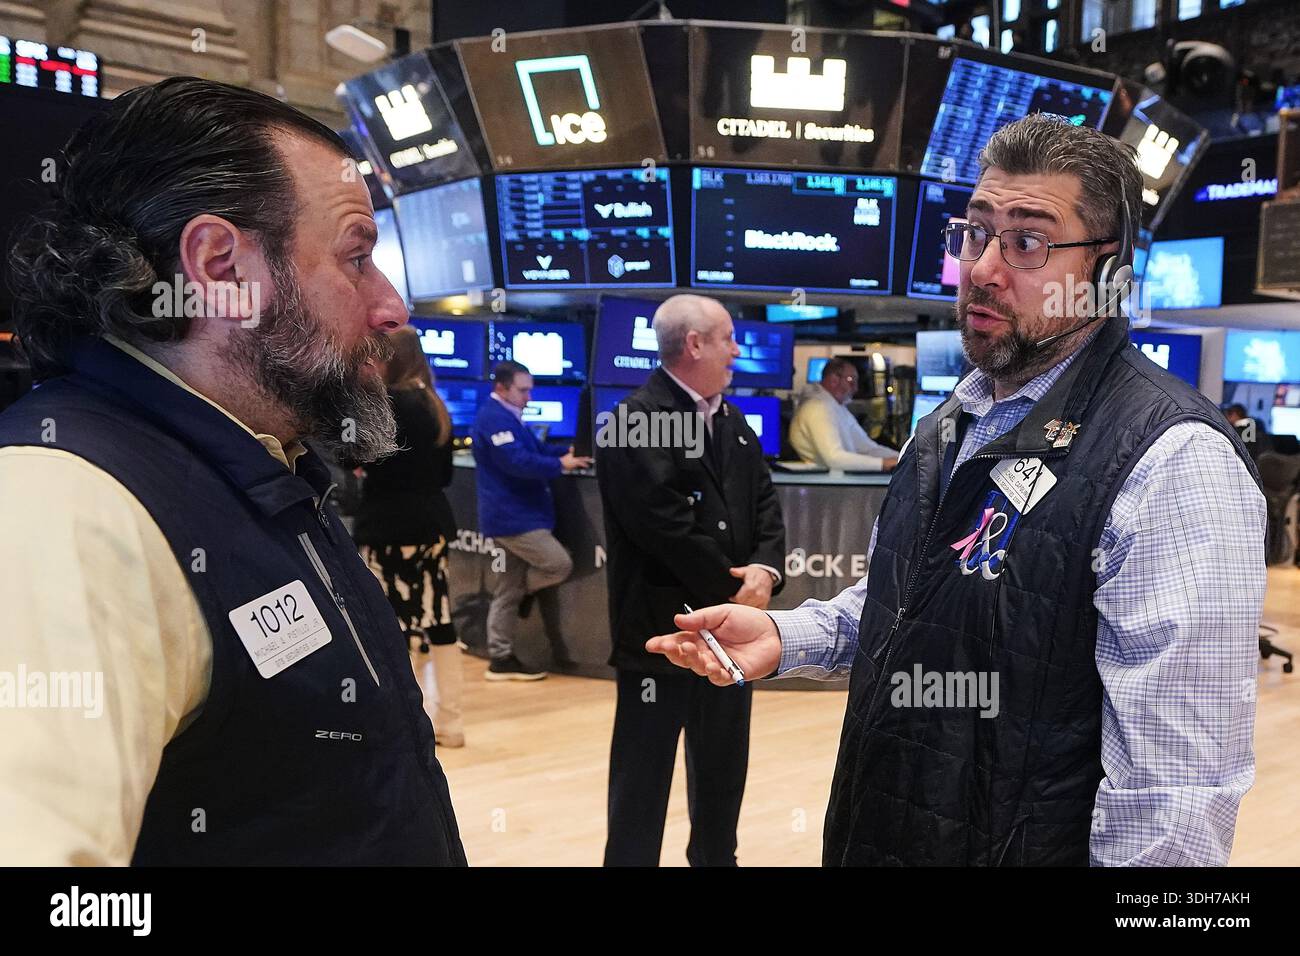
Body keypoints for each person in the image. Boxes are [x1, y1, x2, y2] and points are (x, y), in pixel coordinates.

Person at [648, 115, 1266, 867]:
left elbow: (1177, 797)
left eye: (1027, 241)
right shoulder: (948, 424)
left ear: (1107, 273)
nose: (983, 267)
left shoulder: (1173, 460)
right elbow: (903, 603)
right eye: (974, 233)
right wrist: (787, 637)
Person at [0, 77, 465, 865]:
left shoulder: (266, 459)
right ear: (219, 267)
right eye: (358, 258)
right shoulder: (62, 505)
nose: (393, 308)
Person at [597, 293, 786, 866]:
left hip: (731, 641)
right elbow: (664, 526)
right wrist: (737, 591)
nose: (736, 350)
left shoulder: (731, 419)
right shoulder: (634, 421)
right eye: (728, 338)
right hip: (663, 636)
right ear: (695, 343)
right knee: (641, 783)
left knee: (724, 770)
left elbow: (765, 505)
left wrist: (766, 573)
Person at [354, 325, 465, 747]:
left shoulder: (383, 404)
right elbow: (446, 475)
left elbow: (354, 458)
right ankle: (450, 724)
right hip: (432, 526)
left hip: (387, 527)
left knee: (392, 626)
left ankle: (404, 722)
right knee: (439, 621)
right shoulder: (435, 405)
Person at [471, 360, 591, 680]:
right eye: (523, 390)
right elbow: (518, 463)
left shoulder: (510, 417)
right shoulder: (493, 418)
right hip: (512, 518)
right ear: (502, 388)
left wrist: (569, 453)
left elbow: (537, 450)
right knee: (557, 563)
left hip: (521, 514)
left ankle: (500, 657)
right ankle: (503, 647)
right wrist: (561, 465)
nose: (529, 396)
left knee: (508, 589)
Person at [789, 357, 899, 471]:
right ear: (833, 380)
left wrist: (904, 458)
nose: (855, 388)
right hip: (826, 485)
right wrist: (882, 464)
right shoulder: (818, 408)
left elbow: (867, 448)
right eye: (851, 381)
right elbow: (834, 458)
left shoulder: (836, 407)